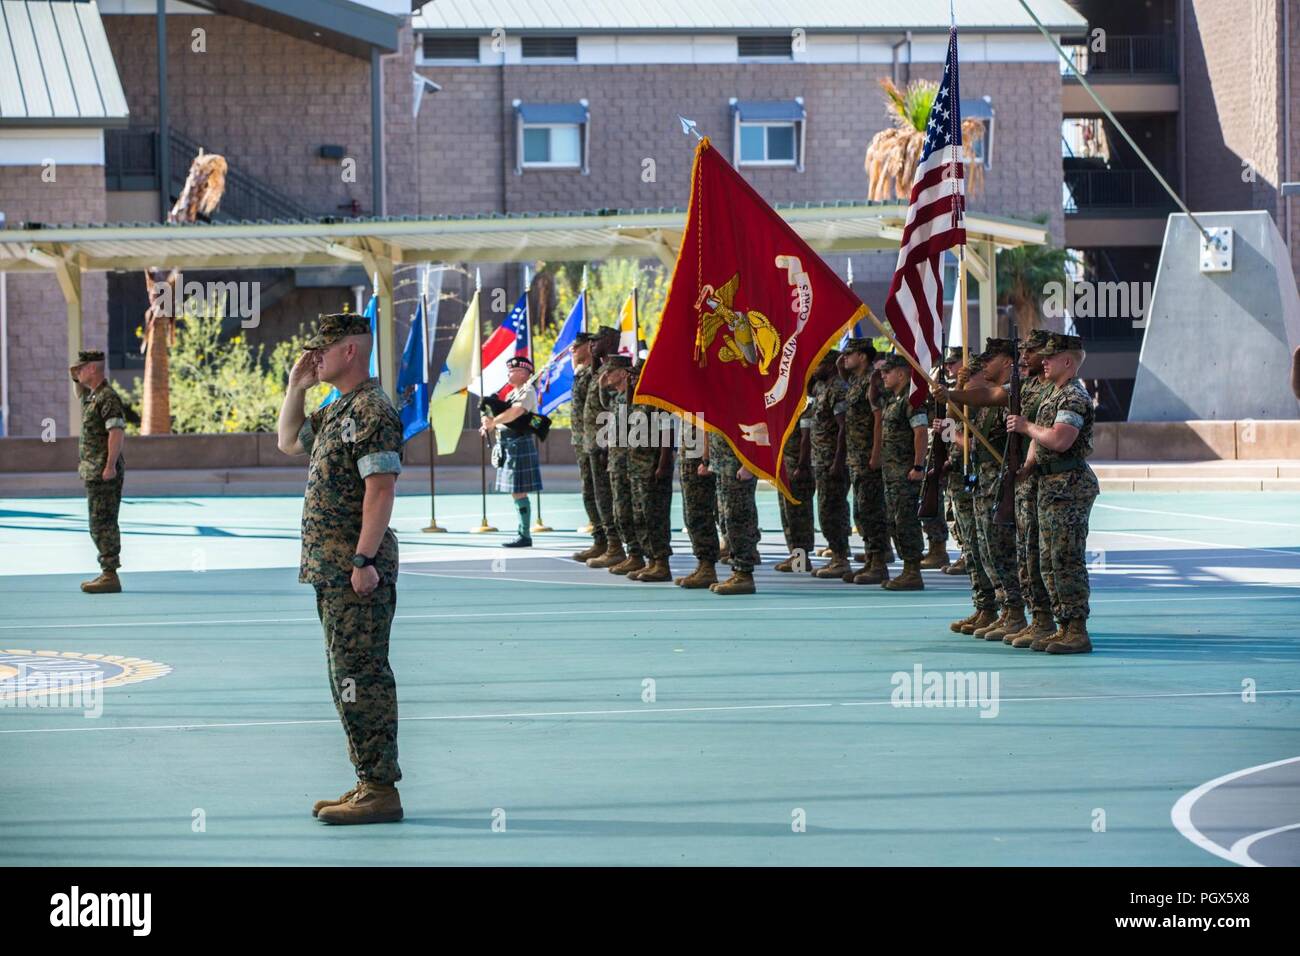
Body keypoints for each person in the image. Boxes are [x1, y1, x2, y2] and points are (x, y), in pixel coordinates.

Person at [278, 312, 404, 825]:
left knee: (362, 675)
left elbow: (381, 488)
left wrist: (363, 559)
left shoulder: (372, 409)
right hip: (332, 570)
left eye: (322, 349)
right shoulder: (337, 409)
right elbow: (288, 441)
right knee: (345, 674)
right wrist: (295, 387)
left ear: (350, 350)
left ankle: (380, 788)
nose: (315, 358)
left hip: (355, 569)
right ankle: (366, 780)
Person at [936, 331, 1056, 646]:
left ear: (1006, 361)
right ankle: (1006, 610)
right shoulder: (1002, 394)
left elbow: (986, 415)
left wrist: (955, 394)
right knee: (991, 551)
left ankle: (1026, 614)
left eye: (989, 359)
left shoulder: (1020, 393)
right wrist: (955, 393)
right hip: (993, 484)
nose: (984, 364)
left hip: (1018, 483)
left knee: (1020, 554)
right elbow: (966, 411)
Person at [1008, 332, 1099, 654]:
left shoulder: (1073, 397)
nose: (1042, 361)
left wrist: (1025, 427)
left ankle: (1076, 629)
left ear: (1067, 361)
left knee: (1065, 558)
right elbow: (1040, 438)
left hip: (1068, 488)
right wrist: (1028, 466)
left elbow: (1060, 440)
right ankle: (1058, 625)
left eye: (1049, 357)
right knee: (1046, 558)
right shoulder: (1052, 394)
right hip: (1048, 485)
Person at [71, 349, 127, 593]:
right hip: (94, 470)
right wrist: (75, 376)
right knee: (97, 521)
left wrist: (109, 465)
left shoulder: (107, 397)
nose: (77, 372)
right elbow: (78, 392)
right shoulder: (92, 396)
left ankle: (110, 574)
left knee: (103, 521)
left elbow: (117, 432)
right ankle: (107, 572)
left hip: (104, 470)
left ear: (92, 368)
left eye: (81, 368)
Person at [841, 338, 891, 584]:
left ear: (863, 356)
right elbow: (841, 367)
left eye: (850, 353)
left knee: (872, 510)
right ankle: (871, 559)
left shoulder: (874, 380)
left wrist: (876, 453)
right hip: (855, 456)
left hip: (867, 456)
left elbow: (879, 418)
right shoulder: (855, 380)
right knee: (861, 511)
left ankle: (879, 563)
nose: (845, 357)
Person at [876, 353, 928, 590]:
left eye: (887, 372)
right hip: (892, 474)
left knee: (906, 520)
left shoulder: (911, 399)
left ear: (901, 373)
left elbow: (920, 432)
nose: (883, 376)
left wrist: (918, 466)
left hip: (906, 472)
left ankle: (913, 571)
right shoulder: (893, 399)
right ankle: (907, 568)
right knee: (894, 521)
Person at [480, 355, 543, 548]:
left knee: (519, 491)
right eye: (509, 370)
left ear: (525, 374)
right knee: (516, 492)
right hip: (508, 443)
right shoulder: (510, 394)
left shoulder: (527, 391)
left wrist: (493, 422)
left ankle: (524, 535)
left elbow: (516, 413)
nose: (510, 373)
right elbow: (502, 415)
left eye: (514, 370)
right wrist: (487, 419)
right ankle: (523, 533)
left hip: (518, 443)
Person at [598, 354, 647, 576]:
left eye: (610, 371)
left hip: (631, 463)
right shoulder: (617, 397)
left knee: (632, 511)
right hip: (617, 462)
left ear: (623, 373)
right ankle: (632, 554)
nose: (606, 375)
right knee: (620, 511)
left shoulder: (635, 398)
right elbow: (604, 403)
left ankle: (637, 555)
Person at [809, 350, 852, 579]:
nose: (814, 368)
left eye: (818, 363)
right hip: (821, 459)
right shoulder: (820, 387)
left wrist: (838, 461)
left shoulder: (837, 389)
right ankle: (837, 554)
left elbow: (843, 427)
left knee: (831, 509)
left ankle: (841, 558)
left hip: (832, 460)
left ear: (830, 365)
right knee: (827, 508)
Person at [584, 327, 624, 568]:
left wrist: (606, 444)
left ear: (608, 342)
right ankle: (604, 541)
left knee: (608, 497)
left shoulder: (614, 373)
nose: (592, 345)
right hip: (592, 443)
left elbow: (612, 411)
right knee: (596, 495)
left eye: (596, 341)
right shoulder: (598, 370)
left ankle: (615, 546)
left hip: (607, 445)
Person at [704, 433, 760, 595]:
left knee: (739, 517)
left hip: (738, 465)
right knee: (728, 520)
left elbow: (756, 425)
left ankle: (744, 574)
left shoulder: (744, 405)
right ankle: (738, 572)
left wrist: (749, 464)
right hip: (724, 464)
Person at [569, 331, 604, 561]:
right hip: (583, 442)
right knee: (589, 492)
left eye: (577, 346)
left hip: (597, 442)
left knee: (601, 493)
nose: (573, 350)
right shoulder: (582, 374)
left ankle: (610, 543)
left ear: (589, 347)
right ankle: (600, 540)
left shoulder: (598, 374)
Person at [676, 413, 720, 588]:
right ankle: (702, 564)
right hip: (689, 455)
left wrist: (707, 458)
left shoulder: (701, 390)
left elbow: (709, 422)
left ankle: (708, 566)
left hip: (698, 457)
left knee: (699, 513)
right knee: (691, 513)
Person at [776, 387, 815, 573]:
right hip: (785, 467)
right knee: (788, 515)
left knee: (799, 516)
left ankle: (801, 560)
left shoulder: (804, 404)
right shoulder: (785, 403)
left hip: (797, 468)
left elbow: (806, 437)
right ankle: (795, 556)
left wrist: (802, 465)